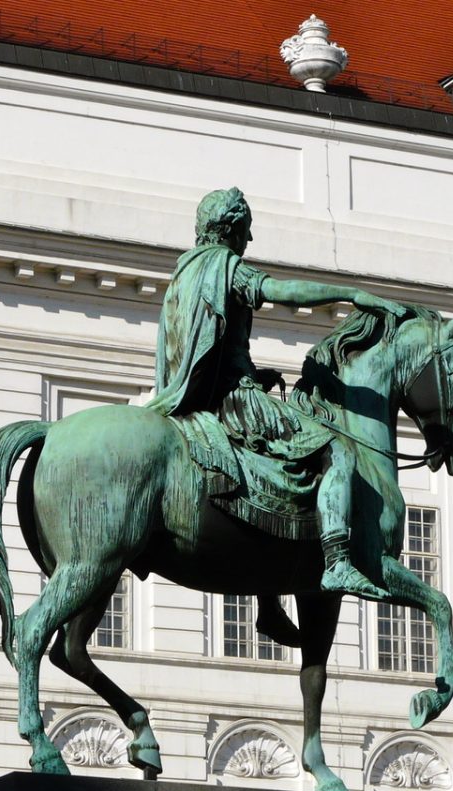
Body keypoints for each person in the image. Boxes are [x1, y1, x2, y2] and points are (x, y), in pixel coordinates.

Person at [148, 187, 405, 601]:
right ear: (231, 229)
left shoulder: (185, 272)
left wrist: (250, 371)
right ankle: (338, 561)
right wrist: (350, 294)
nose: (248, 240)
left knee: (276, 468)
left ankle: (270, 602)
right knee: (336, 451)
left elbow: (201, 349)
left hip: (212, 394)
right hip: (235, 401)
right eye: (246, 231)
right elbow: (283, 292)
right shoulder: (224, 265)